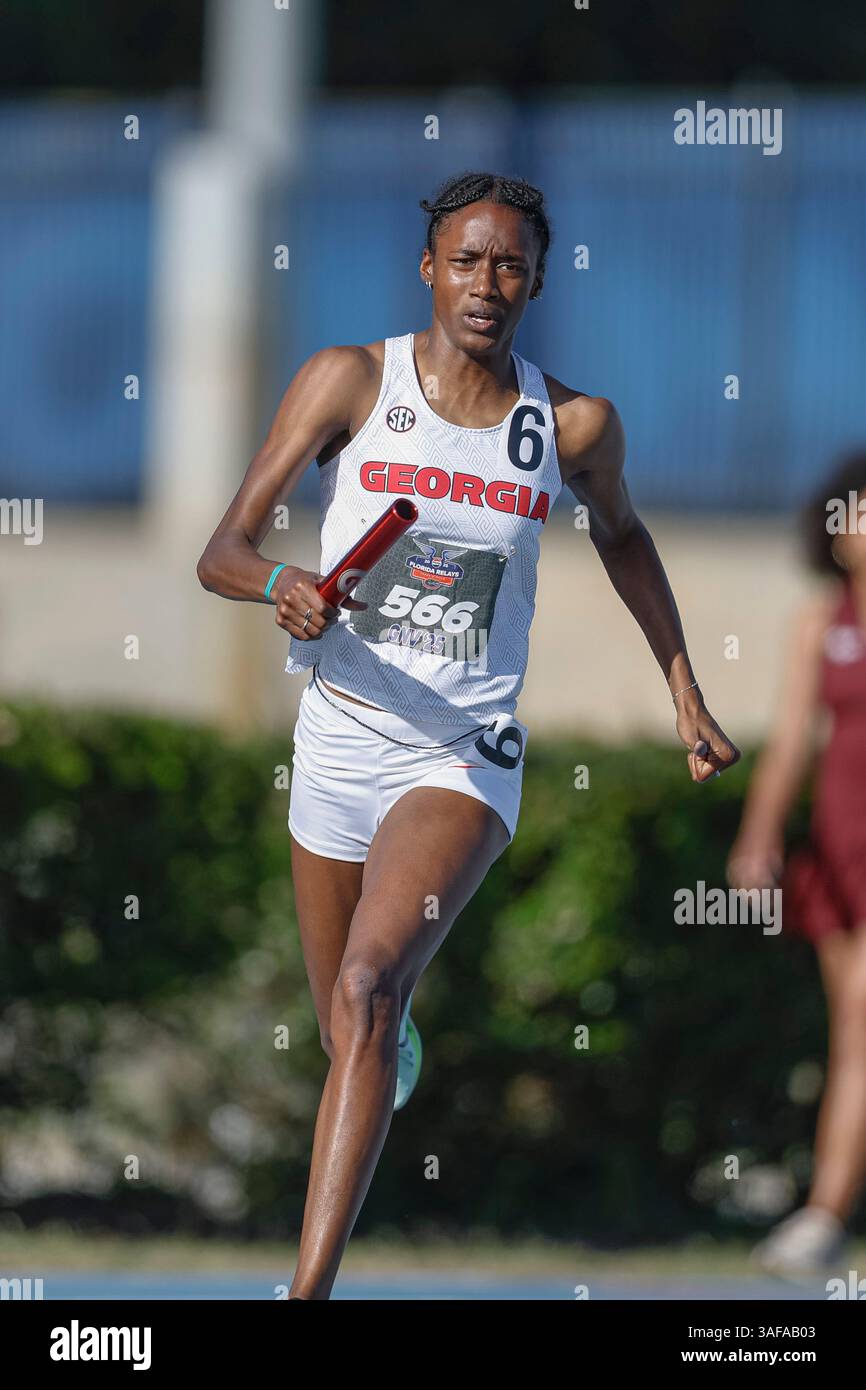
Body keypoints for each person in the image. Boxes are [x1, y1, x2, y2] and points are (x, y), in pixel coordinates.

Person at [197, 170, 740, 1299]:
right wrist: (280, 587)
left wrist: (681, 684)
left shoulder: (570, 423)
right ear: (427, 269)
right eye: (465, 259)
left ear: (535, 280)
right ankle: (385, 1046)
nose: (485, 283)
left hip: (461, 749)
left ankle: (303, 1296)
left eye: (508, 265)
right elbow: (223, 550)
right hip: (338, 734)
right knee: (351, 1025)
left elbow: (623, 536)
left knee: (363, 991)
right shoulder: (350, 380)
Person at [728, 454, 866, 1281]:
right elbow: (791, 741)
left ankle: (822, 1215)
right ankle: (828, 1215)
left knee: (861, 1019)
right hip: (842, 851)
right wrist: (759, 835)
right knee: (851, 1033)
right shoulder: (822, 621)